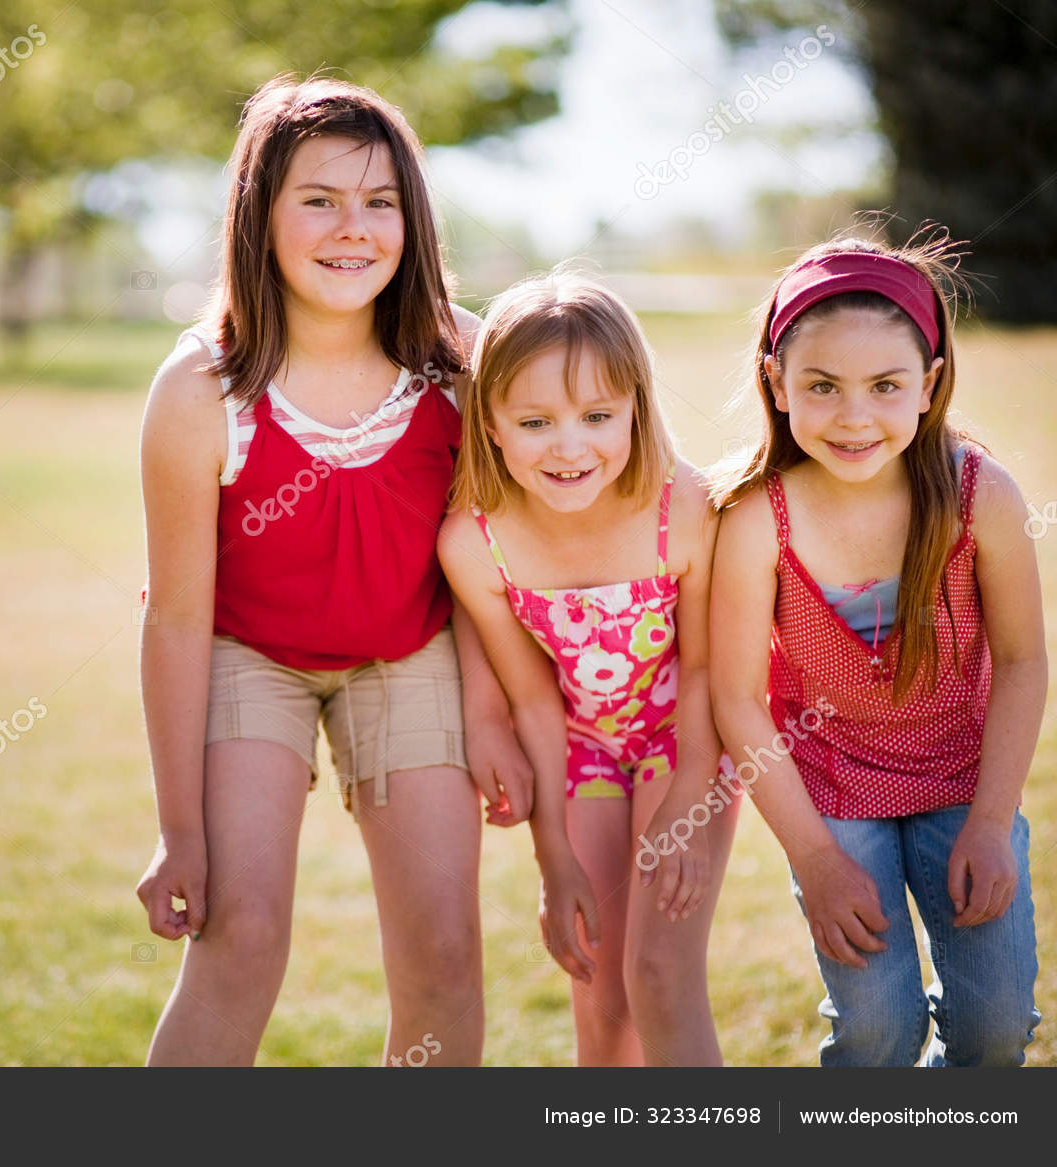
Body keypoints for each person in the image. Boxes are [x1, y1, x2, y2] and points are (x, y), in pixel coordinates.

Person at [134, 74, 530, 1066]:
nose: (353, 228)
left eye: (380, 202)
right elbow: (177, 621)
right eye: (318, 199)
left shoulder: (459, 362)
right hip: (247, 655)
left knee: (443, 947)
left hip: (406, 654)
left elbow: (488, 564)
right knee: (241, 934)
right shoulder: (201, 390)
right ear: (258, 216)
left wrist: (487, 716)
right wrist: (178, 829)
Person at [709, 229, 1044, 1065]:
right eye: (821, 386)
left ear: (928, 386)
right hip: (829, 792)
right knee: (876, 1030)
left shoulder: (980, 495)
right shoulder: (758, 517)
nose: (854, 417)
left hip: (963, 779)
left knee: (995, 1025)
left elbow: (1026, 659)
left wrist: (993, 821)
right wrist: (814, 857)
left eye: (885, 386)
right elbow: (737, 698)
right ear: (776, 384)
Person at [439, 271, 733, 1066]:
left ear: (636, 405)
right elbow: (532, 699)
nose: (570, 447)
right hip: (581, 751)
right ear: (490, 424)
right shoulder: (476, 542)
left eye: (598, 415)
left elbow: (709, 675)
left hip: (686, 741)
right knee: (601, 986)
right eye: (535, 420)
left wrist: (688, 801)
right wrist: (552, 855)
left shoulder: (686, 506)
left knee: (662, 975)